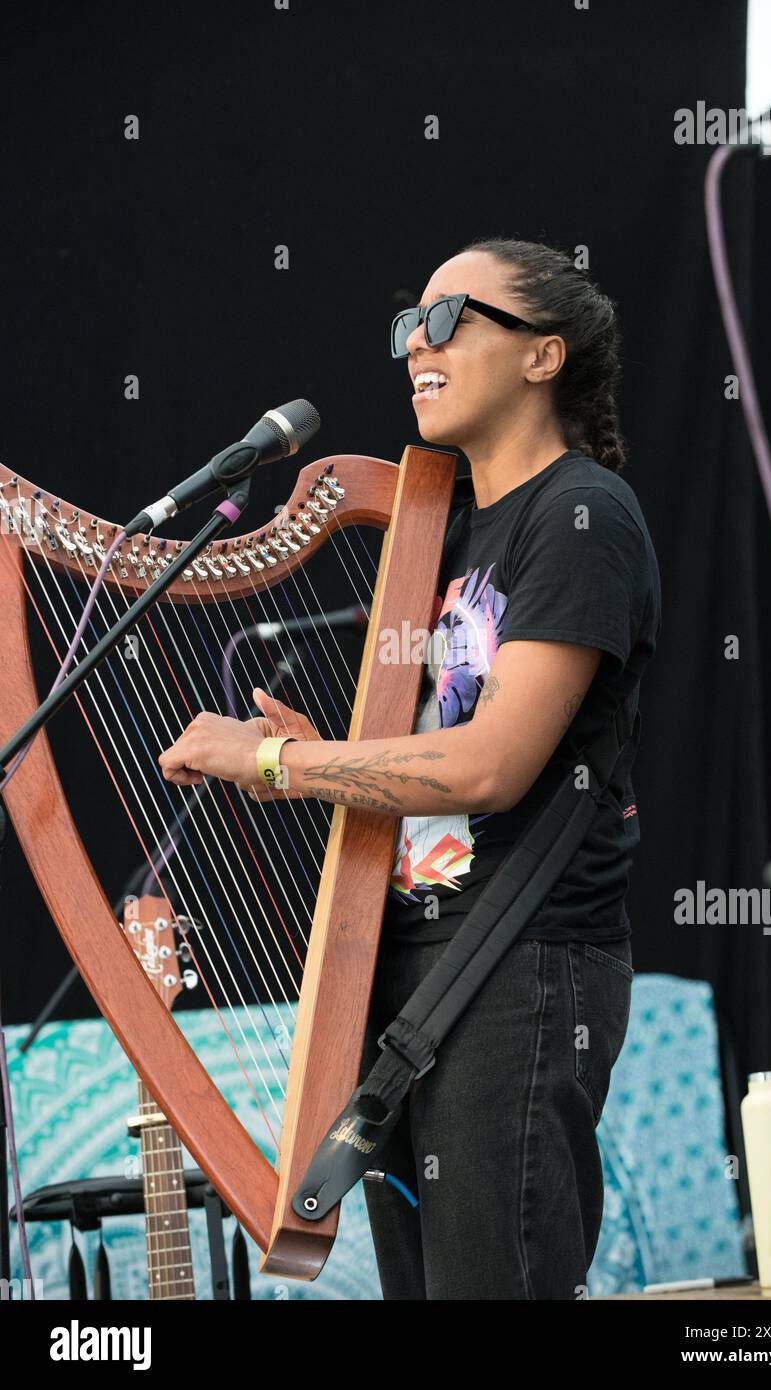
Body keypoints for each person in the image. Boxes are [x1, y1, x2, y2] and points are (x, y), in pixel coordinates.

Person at [159, 235, 661, 1301]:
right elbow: (447, 741)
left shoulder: (580, 517)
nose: (414, 349)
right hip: (419, 979)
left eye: (446, 320)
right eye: (406, 327)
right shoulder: (452, 532)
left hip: (520, 972)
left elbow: (488, 765)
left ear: (543, 356)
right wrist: (317, 757)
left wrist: (280, 758)